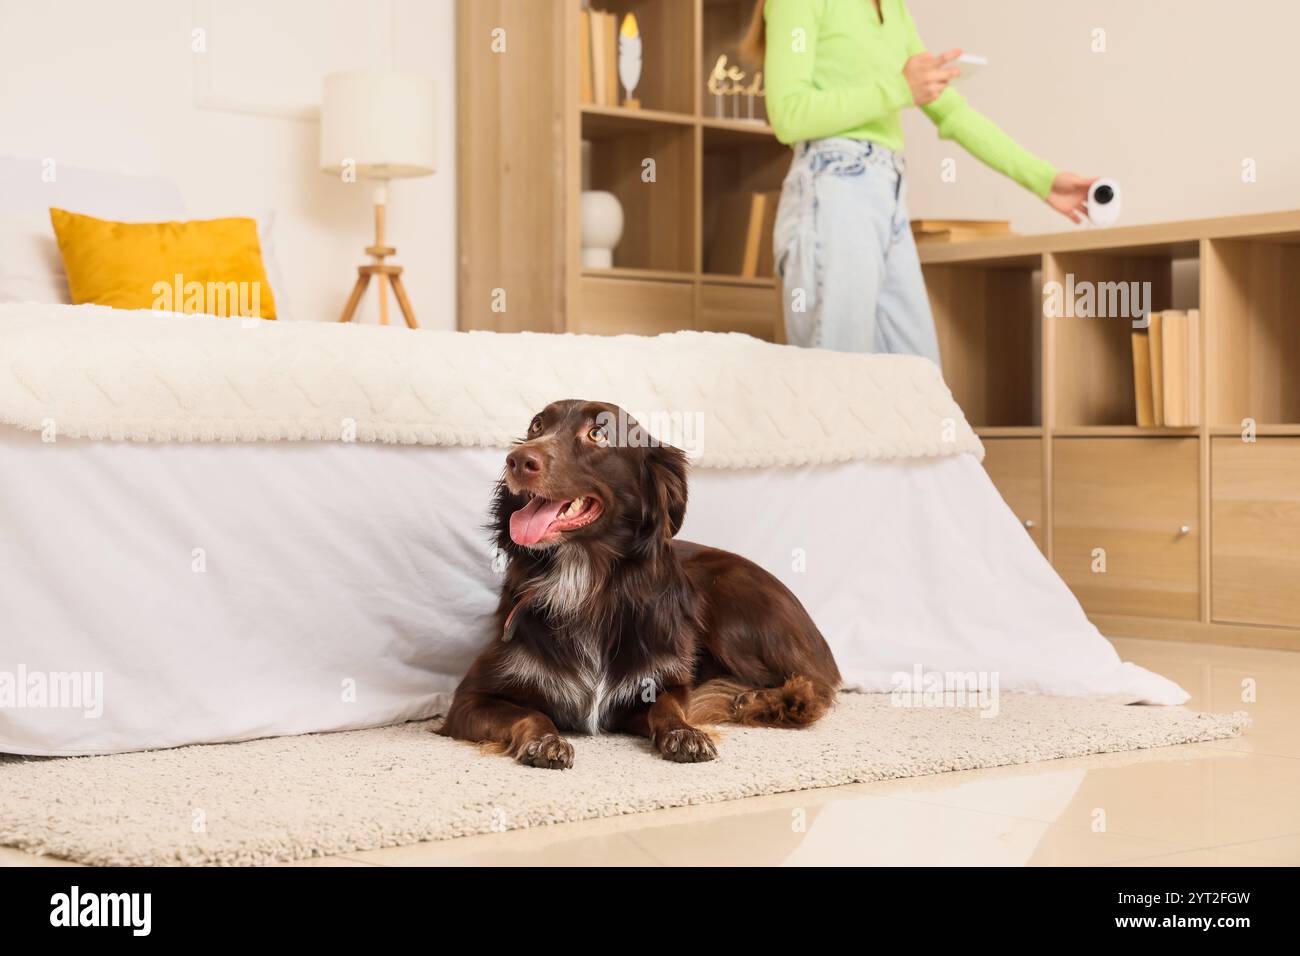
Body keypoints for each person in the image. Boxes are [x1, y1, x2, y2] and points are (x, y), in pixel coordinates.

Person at [746, 0, 1095, 361]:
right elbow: (787, 115)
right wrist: (898, 88)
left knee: (918, 379)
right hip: (832, 189)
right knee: (838, 377)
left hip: (887, 193)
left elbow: (951, 111)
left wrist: (1044, 180)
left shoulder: (891, 6)